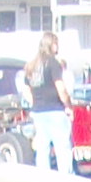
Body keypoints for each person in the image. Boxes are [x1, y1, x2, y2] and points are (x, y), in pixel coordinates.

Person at [22, 32, 66, 171]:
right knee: (62, 148)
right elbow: (61, 88)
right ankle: (68, 180)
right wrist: (68, 105)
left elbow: (26, 90)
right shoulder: (53, 63)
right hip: (55, 110)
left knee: (42, 149)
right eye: (56, 43)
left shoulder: (31, 65)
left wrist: (34, 103)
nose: (57, 46)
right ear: (50, 44)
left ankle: (44, 180)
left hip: (38, 111)